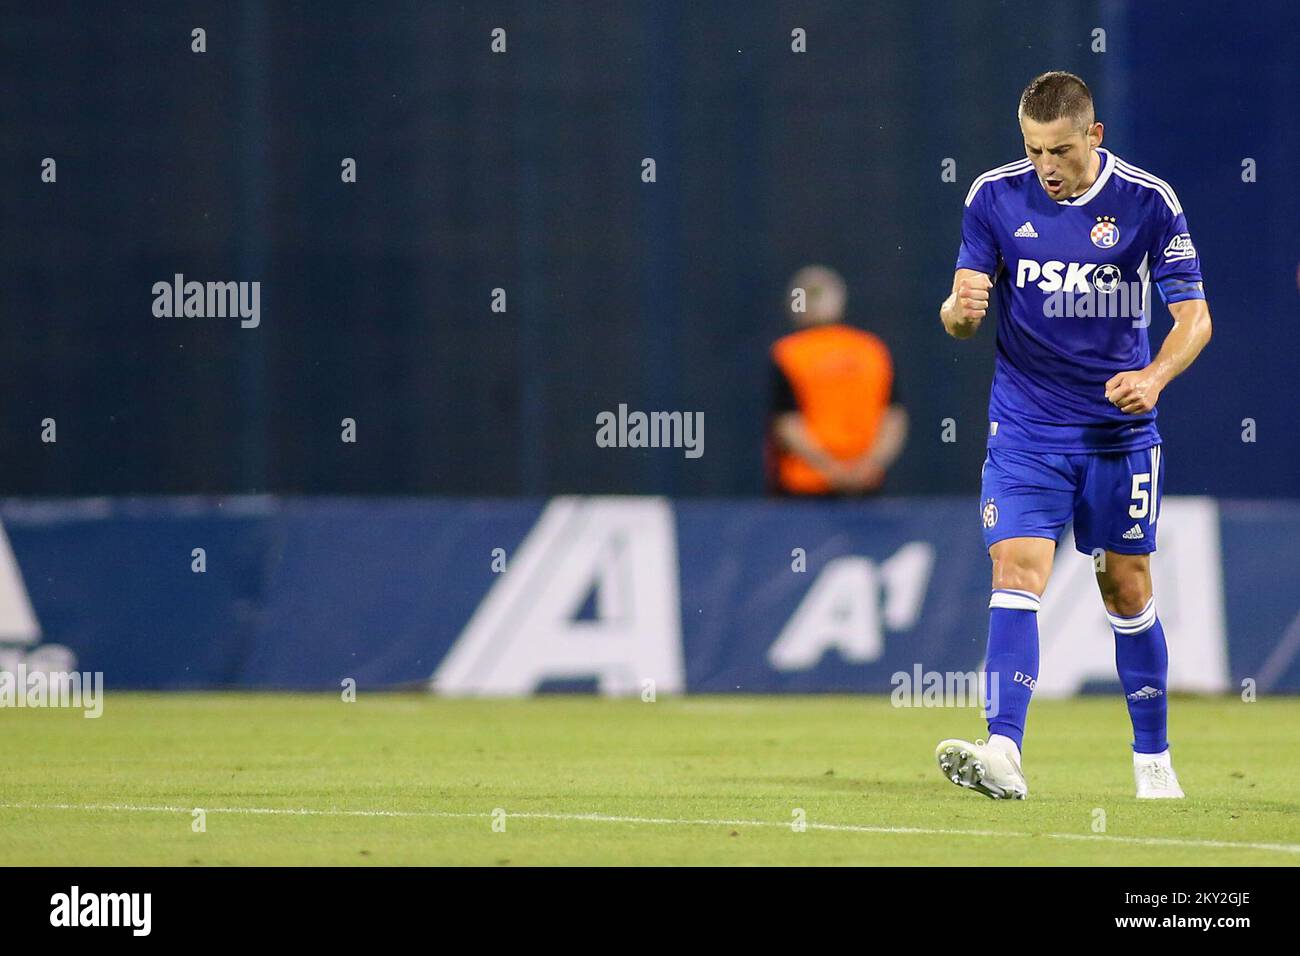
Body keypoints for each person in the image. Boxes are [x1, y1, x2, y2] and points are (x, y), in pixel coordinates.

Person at [934, 72, 1212, 799]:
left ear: (1094, 136)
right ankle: (1003, 750)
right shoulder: (994, 196)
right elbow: (962, 319)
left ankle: (1153, 761)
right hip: (1026, 426)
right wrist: (958, 310)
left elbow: (1195, 319)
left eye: (1058, 150)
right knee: (1017, 569)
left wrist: (1153, 378)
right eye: (1032, 151)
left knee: (1125, 589)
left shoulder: (1149, 203)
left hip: (1118, 434)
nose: (1045, 167)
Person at [768, 265, 908, 496]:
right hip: (865, 485)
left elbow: (787, 425)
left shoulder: (788, 354)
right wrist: (868, 466)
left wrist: (831, 470)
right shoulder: (872, 350)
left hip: (803, 489)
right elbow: (893, 420)